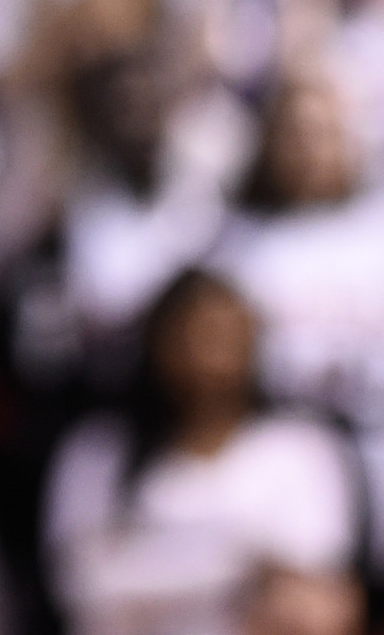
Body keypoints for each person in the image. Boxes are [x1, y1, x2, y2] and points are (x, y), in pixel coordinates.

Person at [42, 269, 358, 635]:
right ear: (155, 342)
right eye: (191, 336)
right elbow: (82, 585)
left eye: (226, 336)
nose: (209, 356)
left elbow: (311, 593)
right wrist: (241, 560)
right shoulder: (98, 451)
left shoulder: (299, 449)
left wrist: (146, 557)